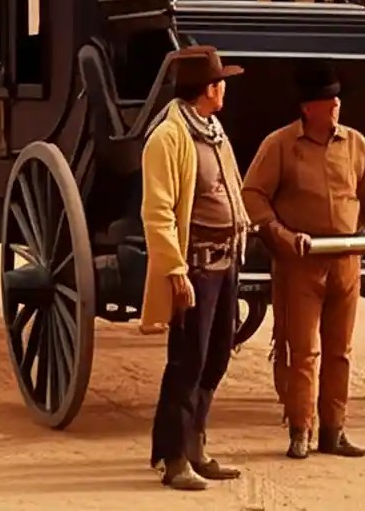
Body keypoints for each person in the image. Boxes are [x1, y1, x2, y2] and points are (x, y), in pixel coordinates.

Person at [242, 59, 365, 460]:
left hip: (346, 260)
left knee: (340, 351)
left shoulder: (356, 144)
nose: (335, 103)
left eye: (337, 97)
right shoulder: (281, 145)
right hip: (301, 263)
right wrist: (281, 234)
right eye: (327, 99)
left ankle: (334, 431)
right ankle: (299, 430)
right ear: (308, 107)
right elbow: (252, 194)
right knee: (303, 350)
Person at [140, 45, 249, 491]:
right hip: (195, 268)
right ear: (208, 88)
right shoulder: (168, 139)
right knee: (187, 362)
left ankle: (197, 445)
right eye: (221, 81)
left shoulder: (213, 130)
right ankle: (172, 457)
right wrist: (175, 270)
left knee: (216, 357)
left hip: (225, 263)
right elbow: (158, 212)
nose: (224, 88)